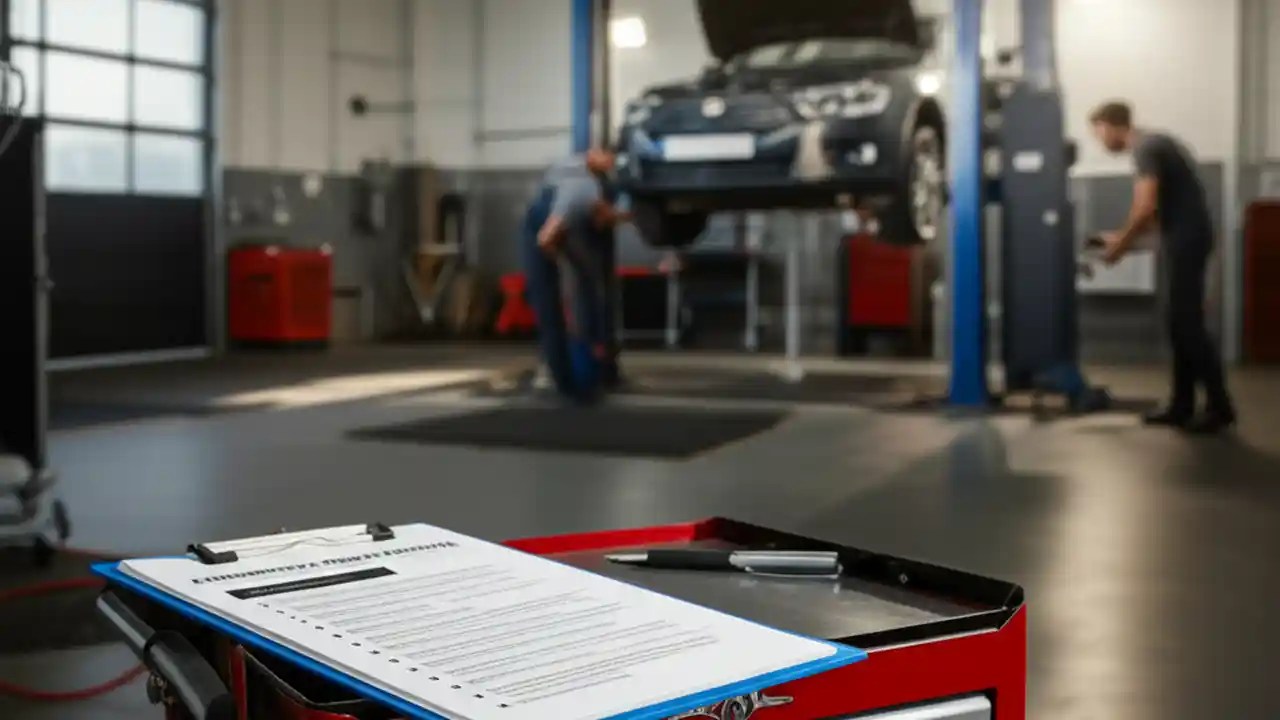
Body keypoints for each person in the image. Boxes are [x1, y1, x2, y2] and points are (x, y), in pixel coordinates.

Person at [1090, 101, 1236, 433]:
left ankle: (1220, 407)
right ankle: (1182, 405)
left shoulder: (1146, 148)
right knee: (1178, 323)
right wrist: (1117, 240)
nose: (1099, 141)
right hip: (1185, 239)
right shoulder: (1158, 144)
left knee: (1188, 325)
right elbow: (1156, 220)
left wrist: (1120, 247)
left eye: (1098, 132)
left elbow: (1144, 208)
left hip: (1187, 242)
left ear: (1113, 125)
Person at [521, 148, 627, 402]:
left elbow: (609, 217)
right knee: (557, 302)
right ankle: (572, 381)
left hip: (555, 220)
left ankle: (581, 375)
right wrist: (555, 254)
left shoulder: (578, 175)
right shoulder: (581, 192)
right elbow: (546, 237)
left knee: (585, 297)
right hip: (543, 225)